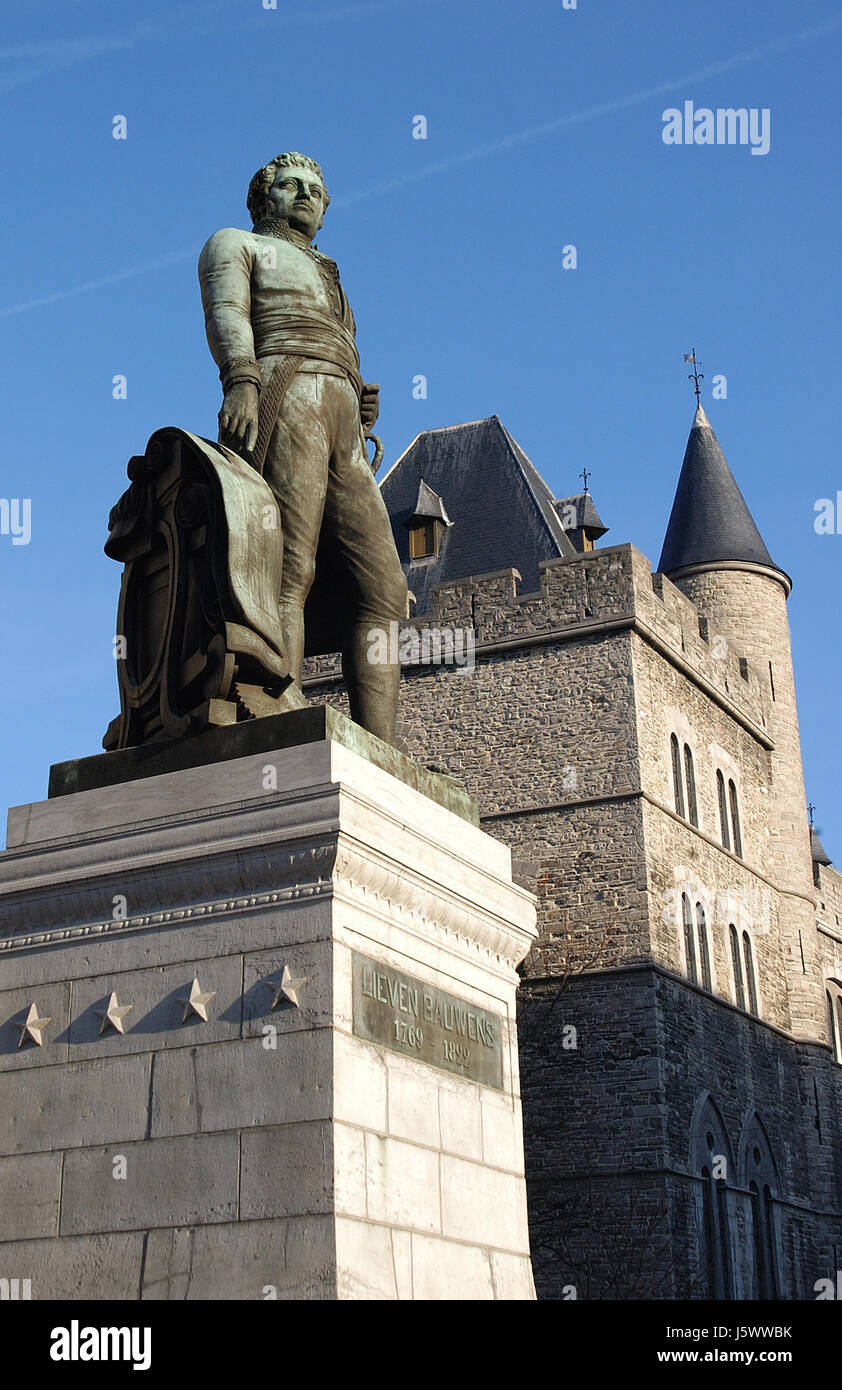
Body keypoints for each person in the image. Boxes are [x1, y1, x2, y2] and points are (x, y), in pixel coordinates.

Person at [198, 151, 406, 743]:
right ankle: (279, 701)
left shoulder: (332, 271)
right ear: (264, 197)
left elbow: (339, 340)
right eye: (291, 185)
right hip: (285, 389)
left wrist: (358, 396)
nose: (307, 194)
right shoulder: (234, 243)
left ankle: (380, 745)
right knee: (290, 563)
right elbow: (228, 313)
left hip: (340, 413)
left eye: (316, 188)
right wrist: (240, 377)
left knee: (386, 588)